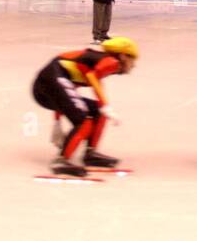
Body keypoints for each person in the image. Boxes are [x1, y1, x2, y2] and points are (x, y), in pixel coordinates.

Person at [31, 36, 138, 178]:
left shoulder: (99, 60)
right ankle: (61, 161)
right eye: (133, 60)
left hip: (46, 87)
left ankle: (90, 153)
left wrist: (57, 121)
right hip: (47, 87)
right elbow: (92, 77)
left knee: (97, 111)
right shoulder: (112, 62)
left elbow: (66, 91)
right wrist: (105, 105)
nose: (134, 65)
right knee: (83, 121)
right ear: (123, 56)